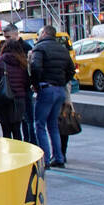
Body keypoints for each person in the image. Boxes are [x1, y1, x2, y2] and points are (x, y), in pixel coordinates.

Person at [29, 25, 75, 168]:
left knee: (40, 124)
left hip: (46, 88)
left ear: (44, 33)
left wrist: (36, 84)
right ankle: (59, 157)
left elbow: (35, 67)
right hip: (60, 89)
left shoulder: (39, 48)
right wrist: (62, 81)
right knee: (53, 125)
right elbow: (71, 70)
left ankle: (46, 160)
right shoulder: (62, 49)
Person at [0, 40, 31, 141]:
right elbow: (27, 81)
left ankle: (8, 153)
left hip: (4, 99)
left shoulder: (0, 60)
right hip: (19, 99)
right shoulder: (23, 61)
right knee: (17, 129)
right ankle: (18, 153)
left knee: (6, 130)